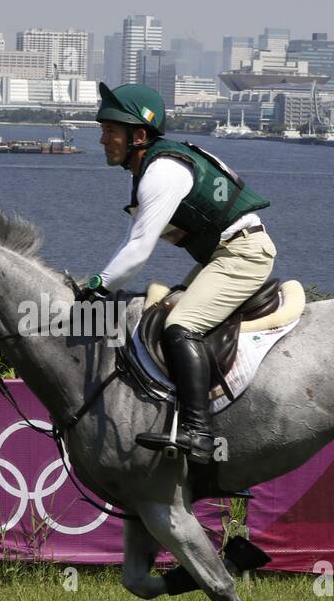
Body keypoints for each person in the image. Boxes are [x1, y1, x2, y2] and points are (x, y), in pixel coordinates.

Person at [83, 82, 276, 463]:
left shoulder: (161, 173)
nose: (102, 138)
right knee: (164, 311)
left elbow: (138, 250)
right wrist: (102, 281)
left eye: (110, 130)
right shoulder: (152, 167)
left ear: (139, 135)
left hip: (241, 255)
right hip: (222, 256)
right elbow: (132, 242)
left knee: (179, 327)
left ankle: (199, 433)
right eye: (103, 129)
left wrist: (97, 286)